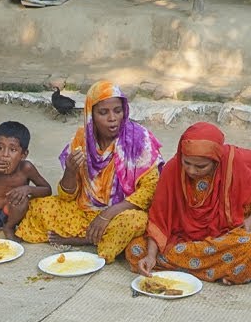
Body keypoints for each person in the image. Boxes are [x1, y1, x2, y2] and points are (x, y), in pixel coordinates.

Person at [15, 80, 163, 263]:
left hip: (121, 212)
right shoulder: (81, 139)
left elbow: (149, 191)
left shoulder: (140, 139)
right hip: (84, 212)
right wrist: (70, 171)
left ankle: (82, 240)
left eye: (118, 110)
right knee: (39, 207)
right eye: (103, 112)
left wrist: (107, 214)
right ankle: (95, 237)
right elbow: (67, 197)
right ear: (90, 114)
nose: (112, 118)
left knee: (135, 221)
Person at [126, 122, 251, 284]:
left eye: (201, 166)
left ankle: (196, 268)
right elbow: (159, 217)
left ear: (216, 161)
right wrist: (150, 256)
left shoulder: (236, 161)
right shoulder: (173, 169)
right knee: (136, 249)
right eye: (187, 163)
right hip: (183, 238)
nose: (191, 170)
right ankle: (219, 270)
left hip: (226, 236)